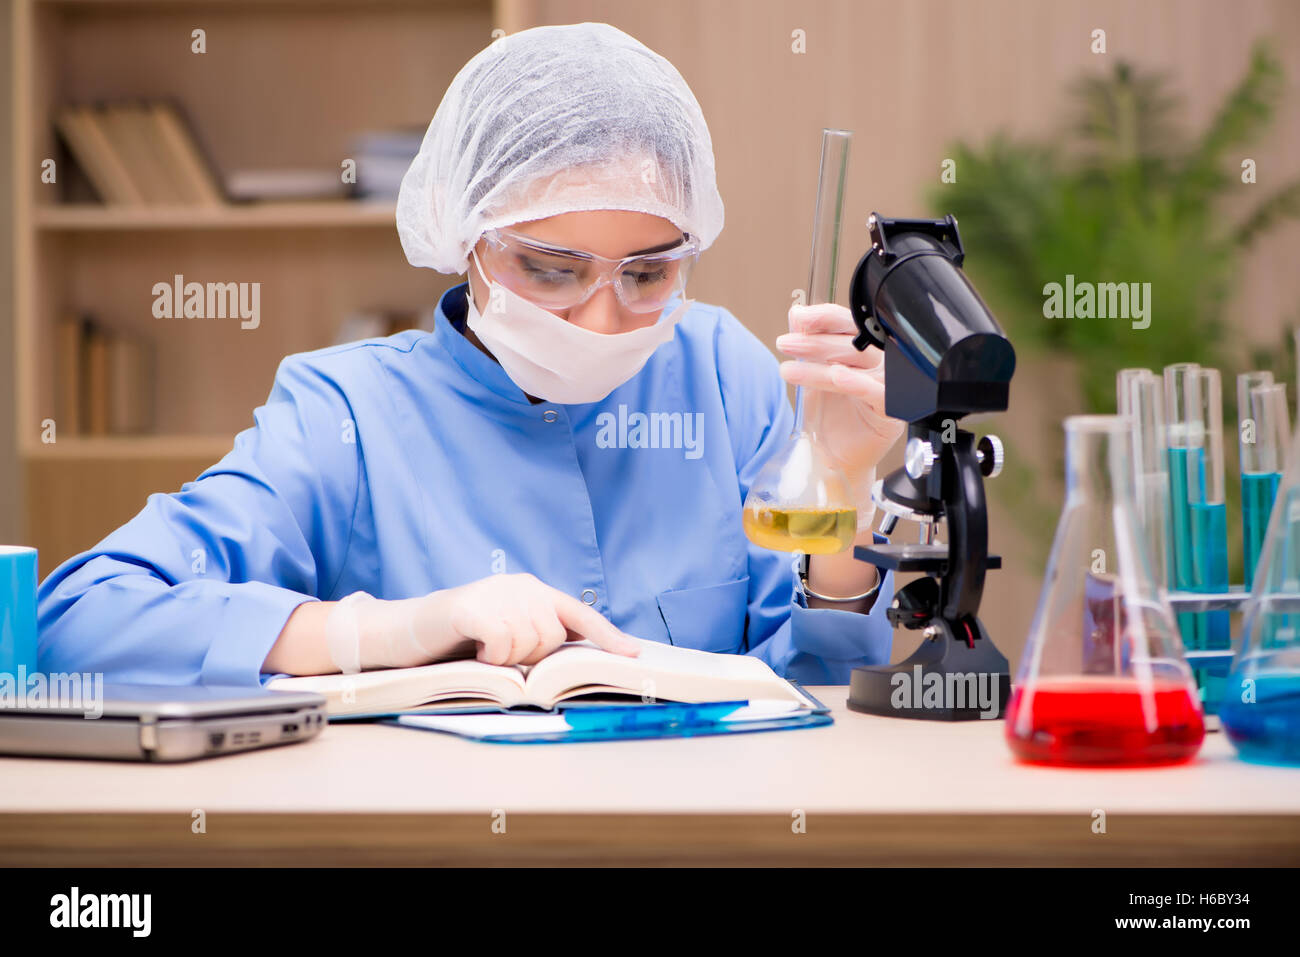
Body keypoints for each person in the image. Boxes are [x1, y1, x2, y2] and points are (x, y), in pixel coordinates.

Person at [36, 22, 903, 687]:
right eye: (550, 269)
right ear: (465, 238)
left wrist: (844, 489)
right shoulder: (347, 411)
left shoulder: (721, 373)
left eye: (646, 272)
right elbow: (83, 618)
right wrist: (394, 630)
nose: (602, 318)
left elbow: (818, 688)